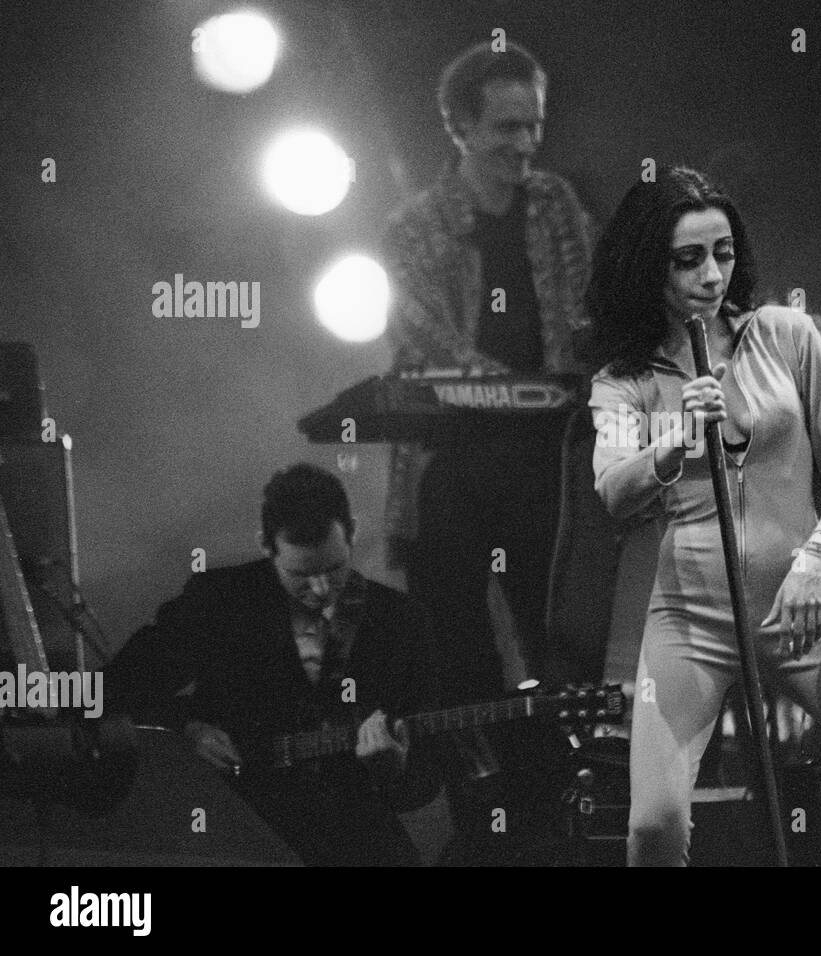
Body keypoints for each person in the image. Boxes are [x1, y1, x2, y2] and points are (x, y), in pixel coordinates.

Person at [586, 167, 821, 866]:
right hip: (689, 622)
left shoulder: (787, 335)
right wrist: (675, 438)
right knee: (653, 825)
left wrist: (815, 559)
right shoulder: (625, 380)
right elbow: (614, 491)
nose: (712, 274)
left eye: (724, 253)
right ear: (648, 266)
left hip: (800, 611)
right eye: (688, 259)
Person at [382, 39, 593, 700]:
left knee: (559, 642)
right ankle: (482, 790)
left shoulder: (556, 204)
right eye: (508, 126)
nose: (526, 141)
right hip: (453, 463)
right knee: (458, 651)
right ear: (460, 127)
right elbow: (425, 337)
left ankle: (563, 786)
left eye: (534, 123)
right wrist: (516, 390)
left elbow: (587, 310)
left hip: (548, 461)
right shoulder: (416, 227)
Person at [105, 464, 442, 866]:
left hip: (350, 826)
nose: (320, 589)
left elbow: (424, 780)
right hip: (237, 817)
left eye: (334, 569)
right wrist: (187, 729)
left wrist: (393, 770)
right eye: (299, 574)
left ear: (352, 531)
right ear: (265, 544)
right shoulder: (218, 599)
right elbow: (120, 687)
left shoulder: (403, 620)